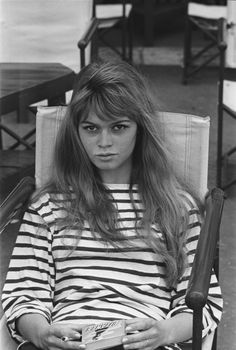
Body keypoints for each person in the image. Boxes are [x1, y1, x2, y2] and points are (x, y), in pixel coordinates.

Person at [2, 61, 223, 350]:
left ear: (140, 129)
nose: (104, 142)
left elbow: (201, 306)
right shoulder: (49, 206)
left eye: (118, 127)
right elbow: (24, 294)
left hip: (145, 343)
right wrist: (41, 332)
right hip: (68, 341)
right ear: (76, 133)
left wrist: (164, 332)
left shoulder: (176, 207)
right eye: (91, 128)